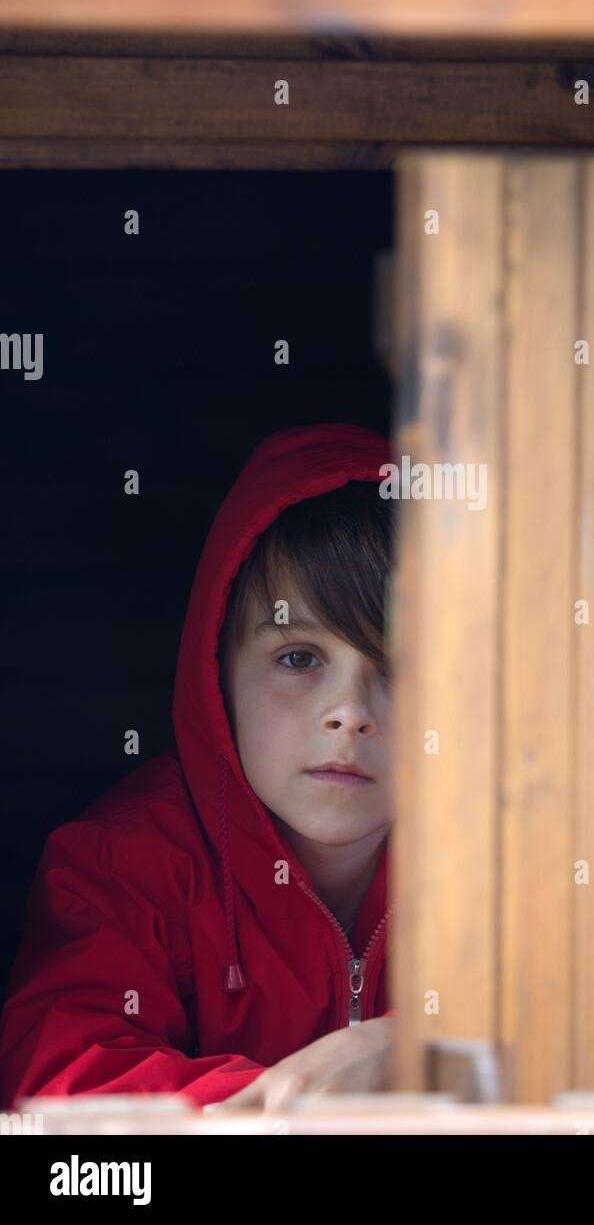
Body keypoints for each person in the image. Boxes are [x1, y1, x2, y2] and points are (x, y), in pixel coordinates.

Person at [0, 423, 397, 1113]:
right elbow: (61, 1078)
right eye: (298, 657)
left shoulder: (509, 867)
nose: (349, 712)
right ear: (216, 676)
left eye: (402, 667)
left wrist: (421, 1044)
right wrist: (299, 1110)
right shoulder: (120, 864)